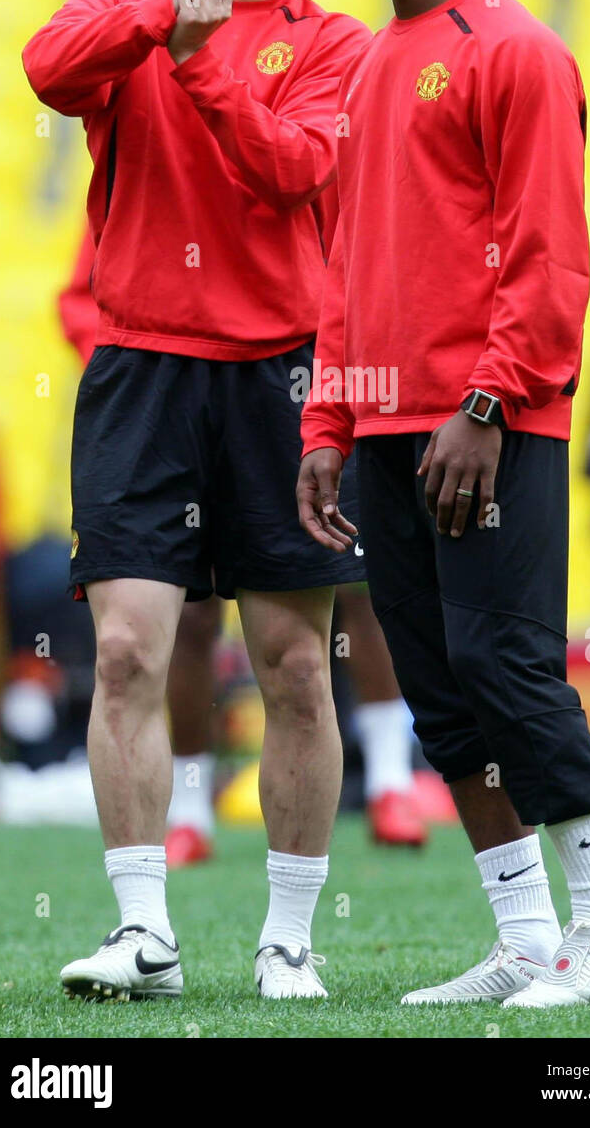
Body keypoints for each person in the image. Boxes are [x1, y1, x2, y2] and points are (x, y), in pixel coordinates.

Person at [298, 0, 590, 1008]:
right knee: (442, 684)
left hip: (491, 420)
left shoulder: (517, 51)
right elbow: (348, 264)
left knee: (510, 665)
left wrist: (492, 400)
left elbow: (552, 258)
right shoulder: (364, 64)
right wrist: (327, 427)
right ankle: (524, 931)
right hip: (388, 426)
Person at [23, 0, 373, 1003]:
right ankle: (142, 932)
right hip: (139, 369)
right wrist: (165, 14)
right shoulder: (125, 5)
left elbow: (295, 168)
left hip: (281, 374)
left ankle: (288, 938)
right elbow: (47, 67)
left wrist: (201, 54)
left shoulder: (334, 44)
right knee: (124, 652)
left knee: (292, 665)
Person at [59, 225, 428, 851]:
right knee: (184, 622)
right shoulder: (150, 155)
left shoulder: (304, 131)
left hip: (289, 377)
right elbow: (78, 294)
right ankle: (191, 806)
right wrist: (132, 358)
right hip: (165, 391)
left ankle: (392, 780)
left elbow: (342, 235)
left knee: (351, 599)